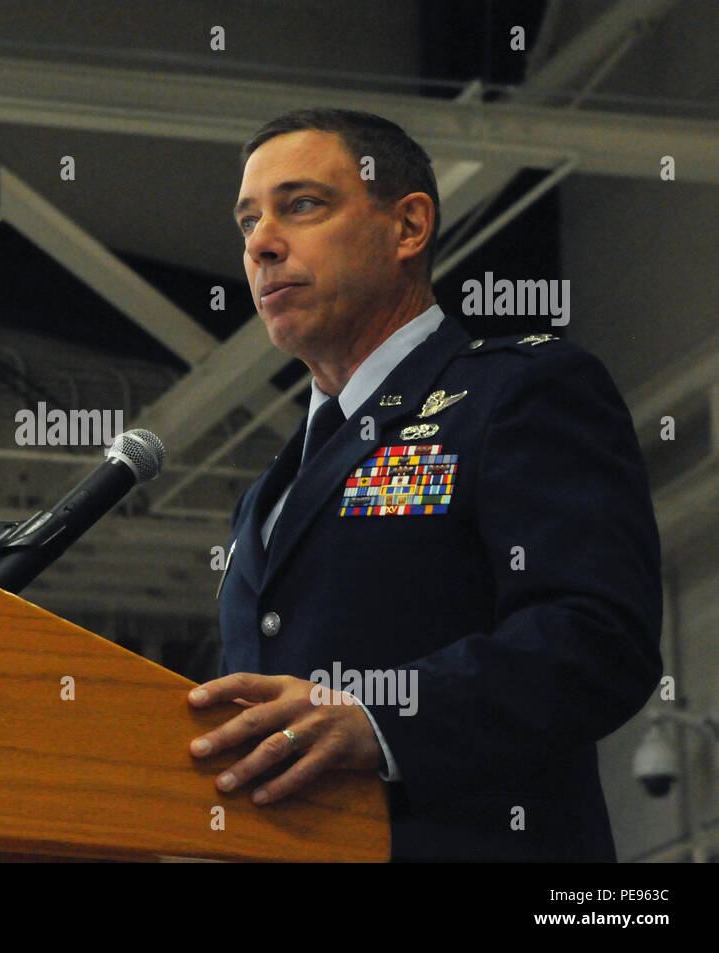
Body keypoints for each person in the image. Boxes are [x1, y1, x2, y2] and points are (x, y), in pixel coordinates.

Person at [187, 108, 662, 861]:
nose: (261, 244)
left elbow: (598, 637)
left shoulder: (521, 391)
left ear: (408, 227)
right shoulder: (266, 497)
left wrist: (380, 718)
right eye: (248, 221)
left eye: (301, 205)